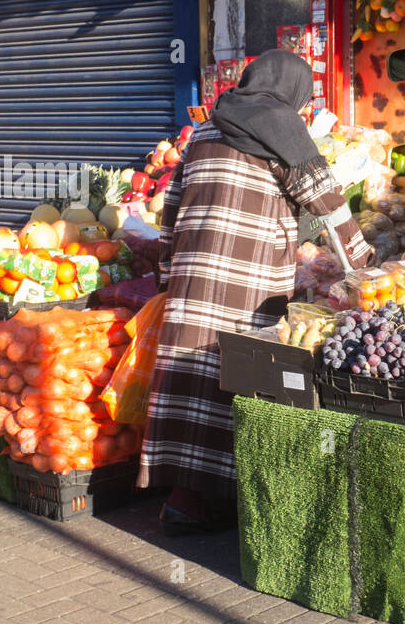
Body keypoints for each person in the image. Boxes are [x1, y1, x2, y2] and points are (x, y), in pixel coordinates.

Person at [139, 50, 373, 534]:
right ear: (294, 92)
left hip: (193, 274)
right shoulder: (284, 129)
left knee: (192, 377)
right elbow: (329, 207)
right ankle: (231, 500)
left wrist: (168, 273)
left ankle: (183, 500)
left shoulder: (207, 128)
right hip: (249, 279)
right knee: (237, 377)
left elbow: (170, 208)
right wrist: (364, 266)